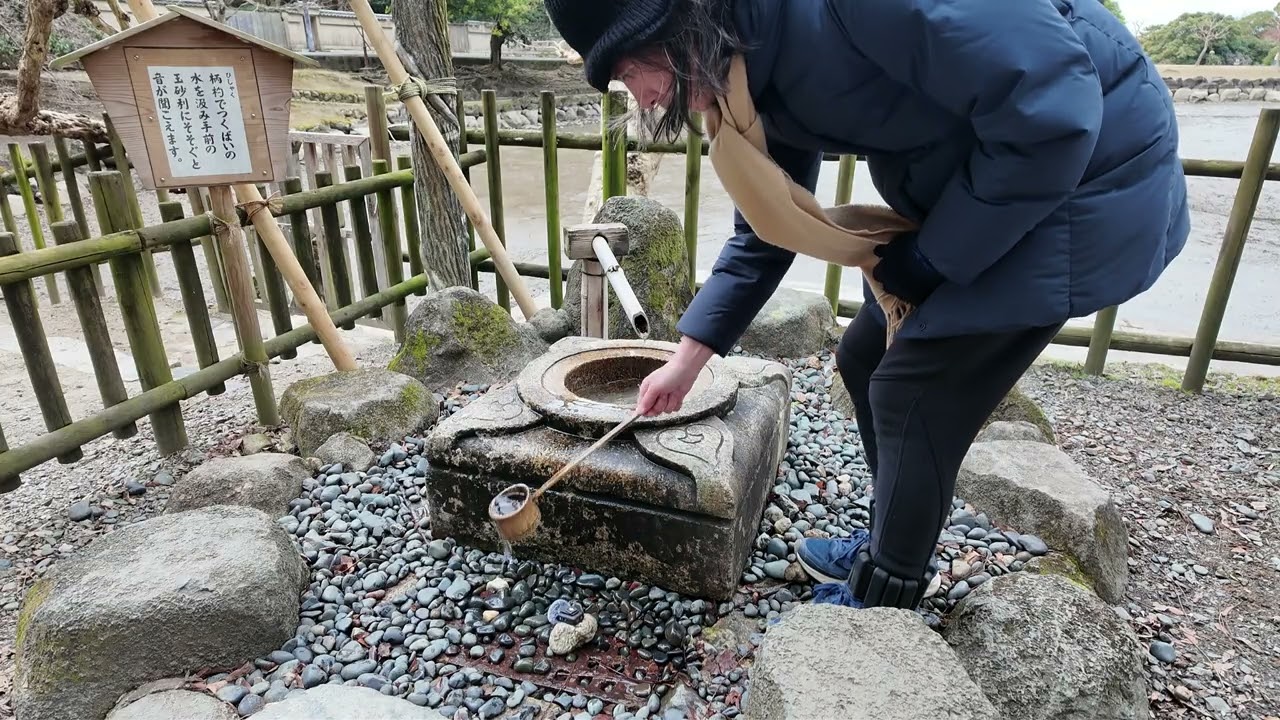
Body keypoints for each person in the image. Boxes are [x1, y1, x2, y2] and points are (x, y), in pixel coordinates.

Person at [544, 0, 1188, 610]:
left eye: (633, 69)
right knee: (864, 356)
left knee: (913, 389)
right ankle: (891, 533)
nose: (644, 98)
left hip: (1086, 174)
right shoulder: (745, 60)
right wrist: (685, 364)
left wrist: (935, 258)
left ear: (669, 16)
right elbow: (767, 229)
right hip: (990, 186)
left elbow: (1052, 110)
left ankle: (886, 594)